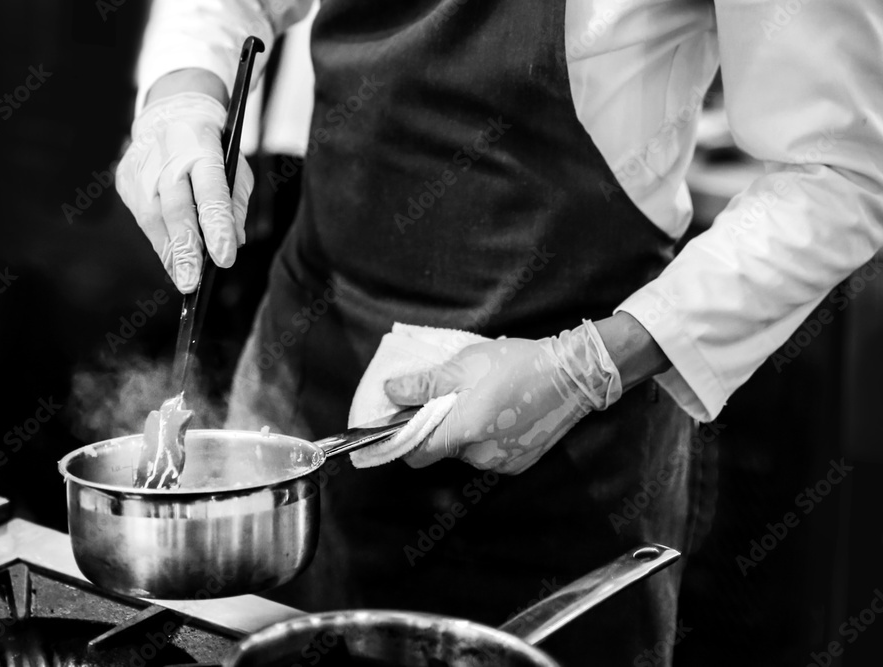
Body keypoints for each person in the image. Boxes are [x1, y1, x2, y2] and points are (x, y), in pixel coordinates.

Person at [116, 1, 883, 664]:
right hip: (305, 381)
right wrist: (182, 95)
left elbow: (844, 168)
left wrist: (584, 365)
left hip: (563, 462)